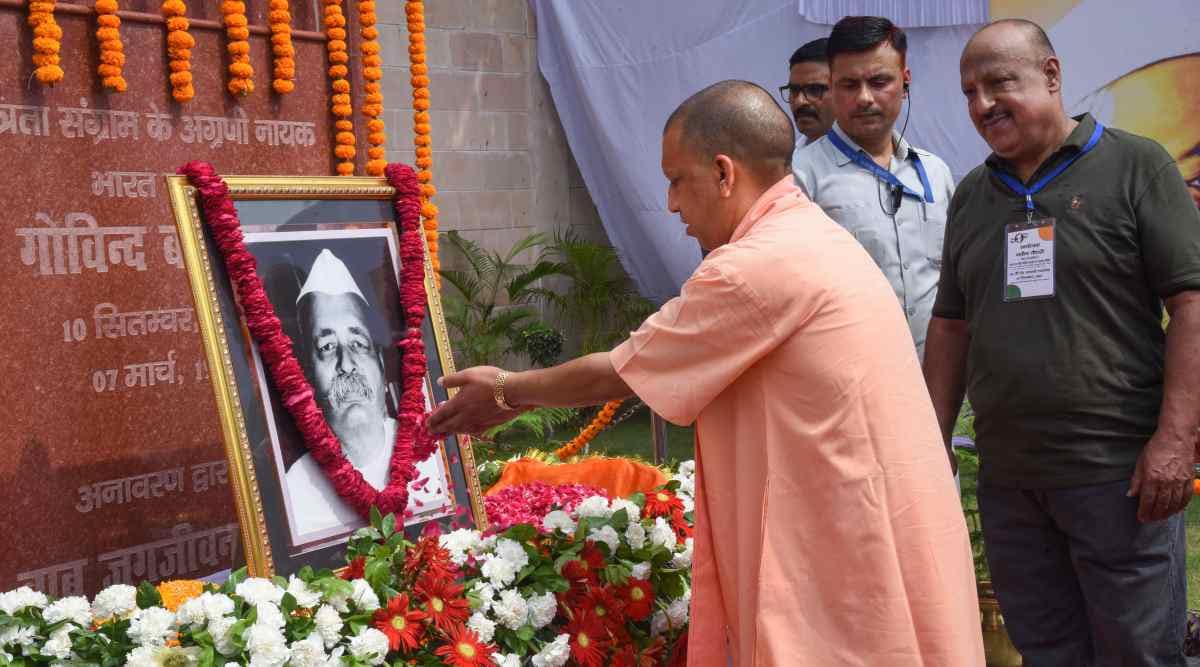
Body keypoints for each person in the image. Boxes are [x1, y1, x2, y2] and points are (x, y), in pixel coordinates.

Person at [428, 80, 984, 666]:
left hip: (841, 541)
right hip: (877, 520)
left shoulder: (756, 266)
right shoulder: (813, 234)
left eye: (676, 180)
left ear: (723, 174)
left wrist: (505, 389)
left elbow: (619, 370)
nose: (671, 204)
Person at [924, 18, 1200, 666]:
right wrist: (927, 442)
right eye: (969, 92)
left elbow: (1191, 301)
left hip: (1120, 478)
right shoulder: (972, 195)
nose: (981, 104)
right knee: (1045, 651)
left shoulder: (1136, 167)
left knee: (1138, 653)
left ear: (1051, 75)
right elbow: (950, 326)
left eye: (999, 83)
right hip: (1011, 483)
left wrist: (1177, 439)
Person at [792, 16, 955, 359]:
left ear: (905, 82)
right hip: (853, 384)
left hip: (938, 383)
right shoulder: (799, 178)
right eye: (849, 85)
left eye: (879, 81)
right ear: (832, 86)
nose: (864, 98)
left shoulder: (935, 173)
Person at [284, 248, 448, 536]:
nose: (346, 365)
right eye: (327, 347)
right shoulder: (296, 488)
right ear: (308, 375)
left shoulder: (434, 456)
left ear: (381, 363)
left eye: (358, 343)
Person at [780, 37, 834, 148]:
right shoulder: (788, 160)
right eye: (794, 90)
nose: (800, 102)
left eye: (814, 90)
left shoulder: (874, 161)